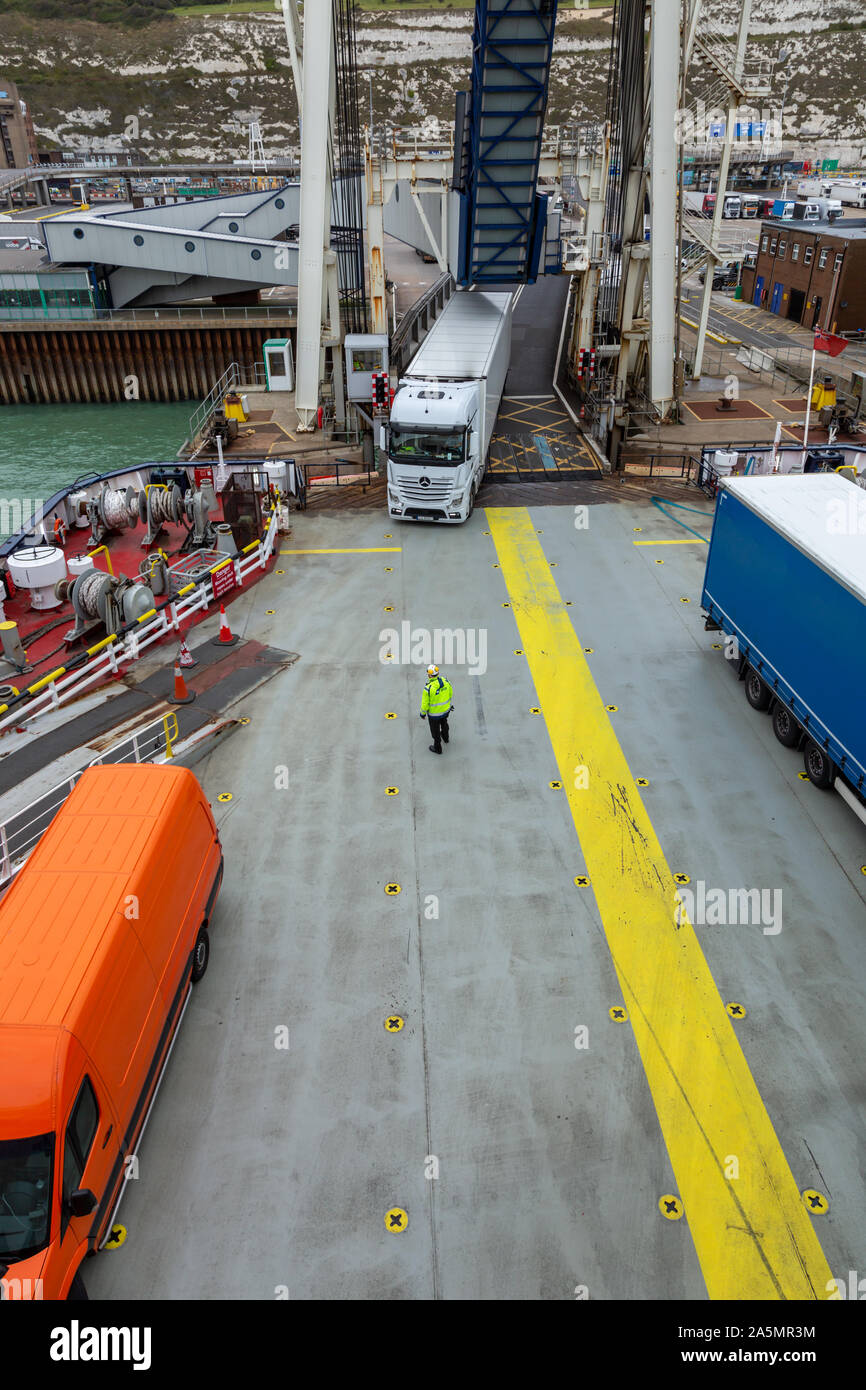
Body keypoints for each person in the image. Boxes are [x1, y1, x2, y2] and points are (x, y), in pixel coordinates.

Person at [419, 664, 453, 754]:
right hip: (446, 711)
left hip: (434, 715)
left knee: (435, 731)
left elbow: (425, 704)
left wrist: (422, 714)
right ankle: (446, 738)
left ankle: (438, 748)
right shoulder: (446, 681)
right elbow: (450, 694)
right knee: (444, 723)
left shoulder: (428, 688)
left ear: (429, 675)